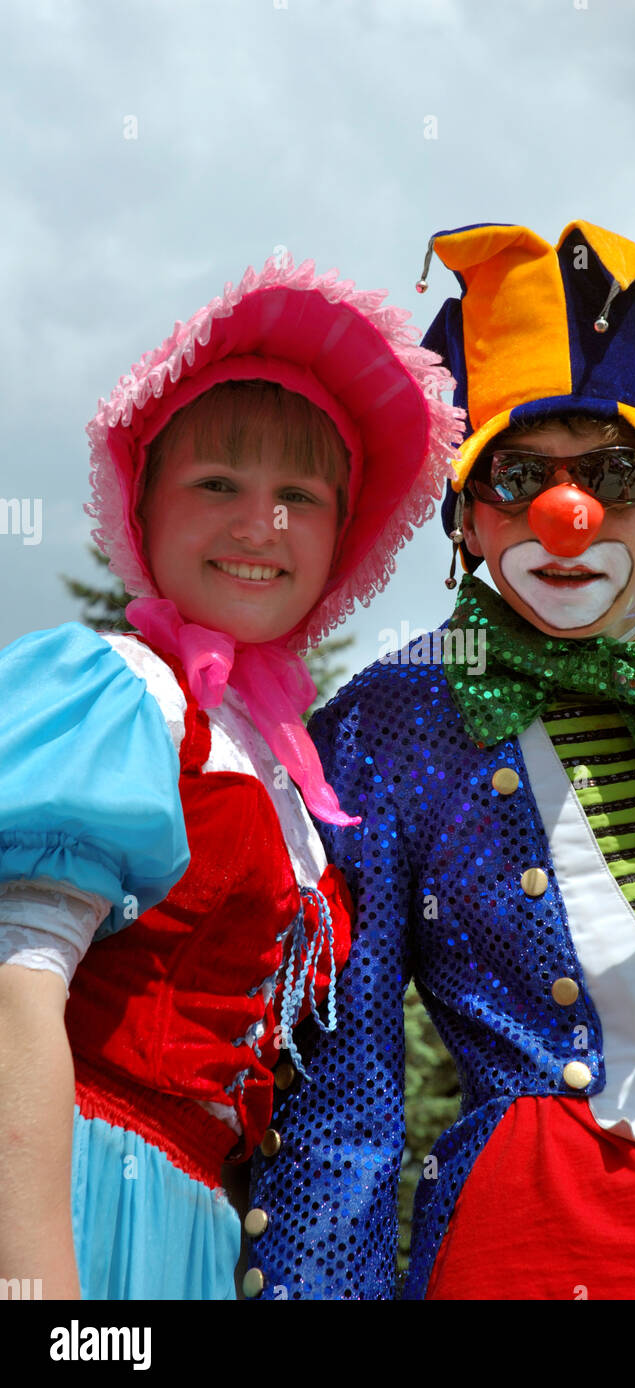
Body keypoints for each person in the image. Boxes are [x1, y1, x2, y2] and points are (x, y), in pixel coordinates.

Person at [248, 219, 635, 1301]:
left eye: (617, 471)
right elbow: (341, 1105)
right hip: (529, 1248)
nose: (567, 516)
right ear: (466, 522)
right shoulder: (388, 722)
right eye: (519, 472)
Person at [0, 253, 462, 1300]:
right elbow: (11, 994)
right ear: (143, 500)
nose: (262, 527)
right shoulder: (119, 689)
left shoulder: (287, 770)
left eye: (300, 495)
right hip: (61, 1201)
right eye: (219, 483)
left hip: (189, 1231)